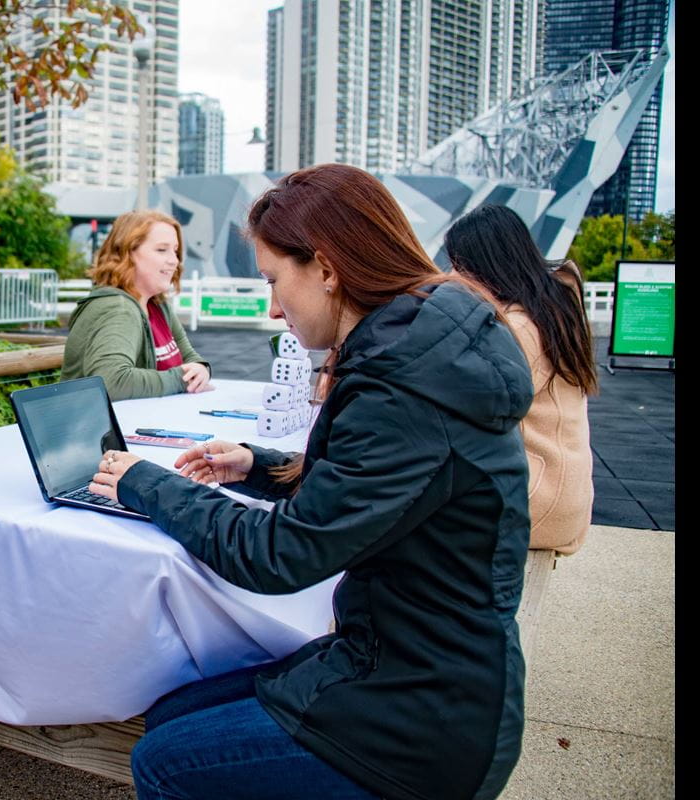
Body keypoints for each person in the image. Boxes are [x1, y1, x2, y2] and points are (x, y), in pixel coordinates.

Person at [84, 164, 535, 800]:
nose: (271, 306)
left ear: (325, 269)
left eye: (274, 280)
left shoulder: (402, 388)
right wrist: (260, 466)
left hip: (420, 720)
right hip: (419, 667)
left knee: (164, 760)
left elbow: (279, 556)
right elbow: (373, 490)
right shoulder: (422, 352)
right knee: (168, 713)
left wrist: (145, 483)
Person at [444, 204, 598, 555]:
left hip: (535, 498)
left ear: (485, 266)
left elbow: (470, 403)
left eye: (459, 266)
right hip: (561, 493)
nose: (453, 275)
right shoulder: (553, 309)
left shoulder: (522, 329)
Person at [62, 209, 213, 400]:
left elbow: (190, 358)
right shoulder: (118, 309)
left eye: (175, 251)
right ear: (127, 253)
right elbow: (111, 381)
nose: (174, 261)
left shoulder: (157, 304)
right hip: (99, 427)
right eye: (161, 250)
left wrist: (201, 369)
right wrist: (182, 379)